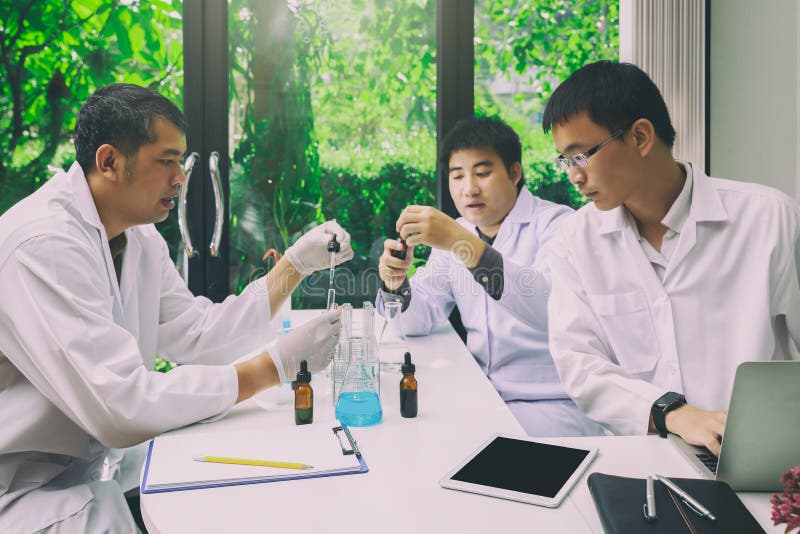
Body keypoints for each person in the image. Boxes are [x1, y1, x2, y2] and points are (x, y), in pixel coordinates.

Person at [0, 83, 354, 533]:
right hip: (21, 495)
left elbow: (199, 335)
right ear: (109, 161)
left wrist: (294, 265)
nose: (180, 178)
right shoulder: (41, 245)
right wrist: (274, 367)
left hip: (87, 477)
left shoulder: (138, 238)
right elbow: (119, 406)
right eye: (166, 161)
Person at [542, 60, 800, 455]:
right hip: (641, 463)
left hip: (754, 460)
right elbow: (579, 363)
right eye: (564, 161)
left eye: (580, 156)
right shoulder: (574, 241)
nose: (573, 176)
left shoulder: (770, 219)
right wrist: (672, 413)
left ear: (640, 137)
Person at [376, 116, 605, 437]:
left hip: (553, 403)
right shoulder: (459, 233)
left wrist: (462, 243)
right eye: (457, 176)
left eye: (483, 173)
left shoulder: (558, 225)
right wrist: (395, 283)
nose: (469, 188)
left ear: (514, 173)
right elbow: (415, 322)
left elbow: (553, 309)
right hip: (481, 395)